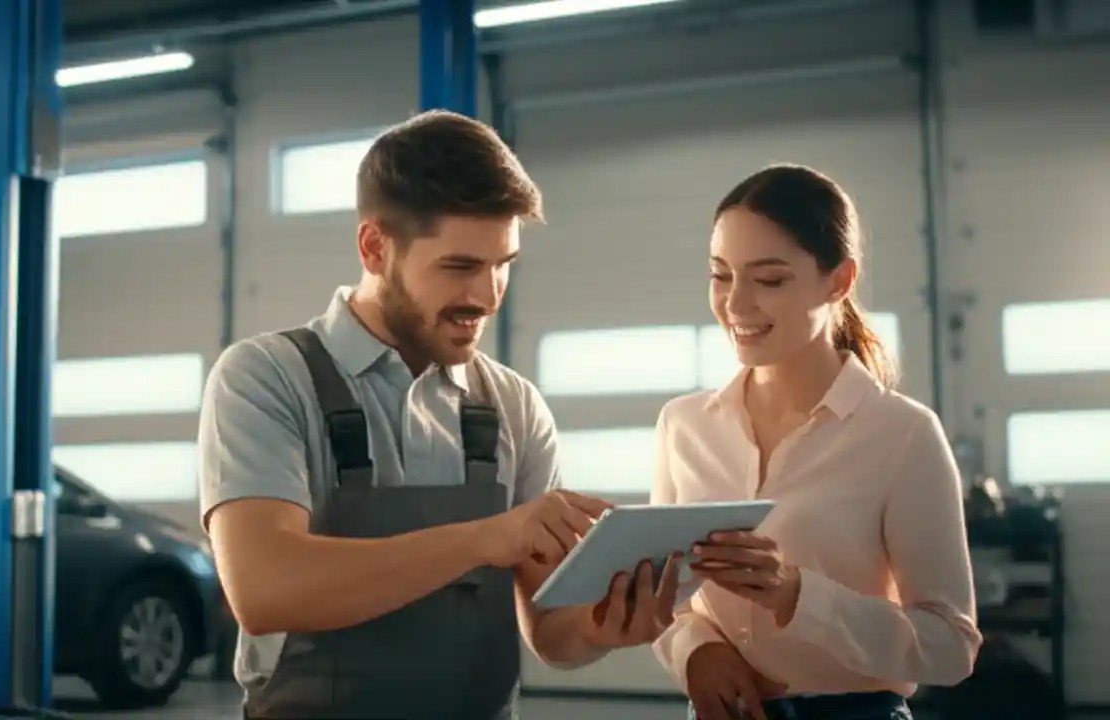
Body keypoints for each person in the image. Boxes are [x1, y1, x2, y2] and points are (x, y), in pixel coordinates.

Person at [198, 109, 682, 720]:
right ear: (375, 247)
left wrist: (607, 625)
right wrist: (485, 538)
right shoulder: (265, 378)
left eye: (501, 265)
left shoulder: (514, 406)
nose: (484, 296)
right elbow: (266, 589)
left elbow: (551, 633)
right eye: (459, 266)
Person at [650, 164, 983, 720]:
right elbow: (673, 596)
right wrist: (694, 652)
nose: (735, 304)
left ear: (839, 280)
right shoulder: (682, 426)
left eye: (769, 279)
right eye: (721, 275)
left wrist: (797, 597)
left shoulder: (901, 434)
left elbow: (951, 647)